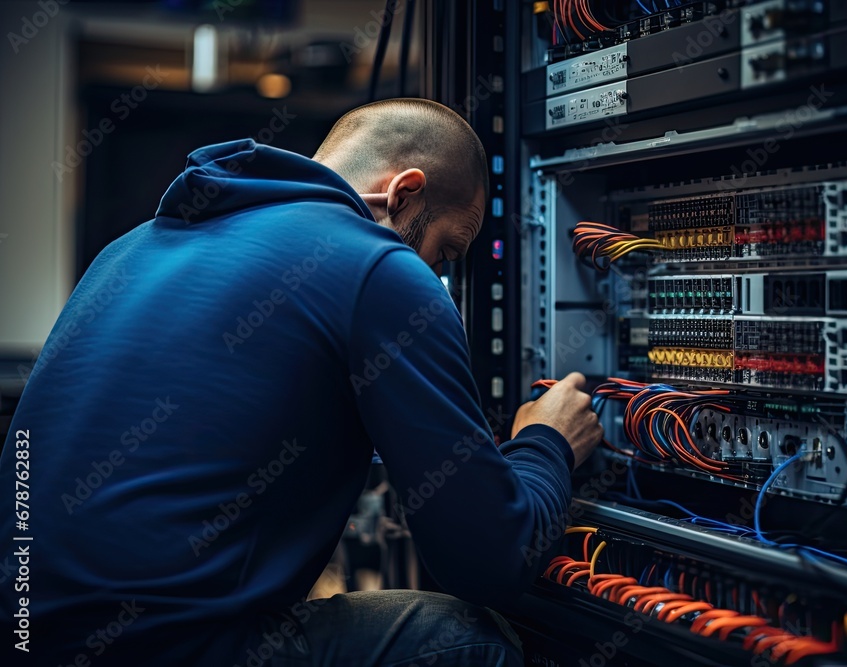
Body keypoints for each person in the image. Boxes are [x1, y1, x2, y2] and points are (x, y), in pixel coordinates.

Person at [0, 98, 602, 666]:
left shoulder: (127, 249)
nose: (437, 278)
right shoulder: (379, 266)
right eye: (445, 253)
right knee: (467, 640)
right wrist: (546, 443)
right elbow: (489, 563)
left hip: (21, 632)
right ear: (404, 193)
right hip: (163, 650)